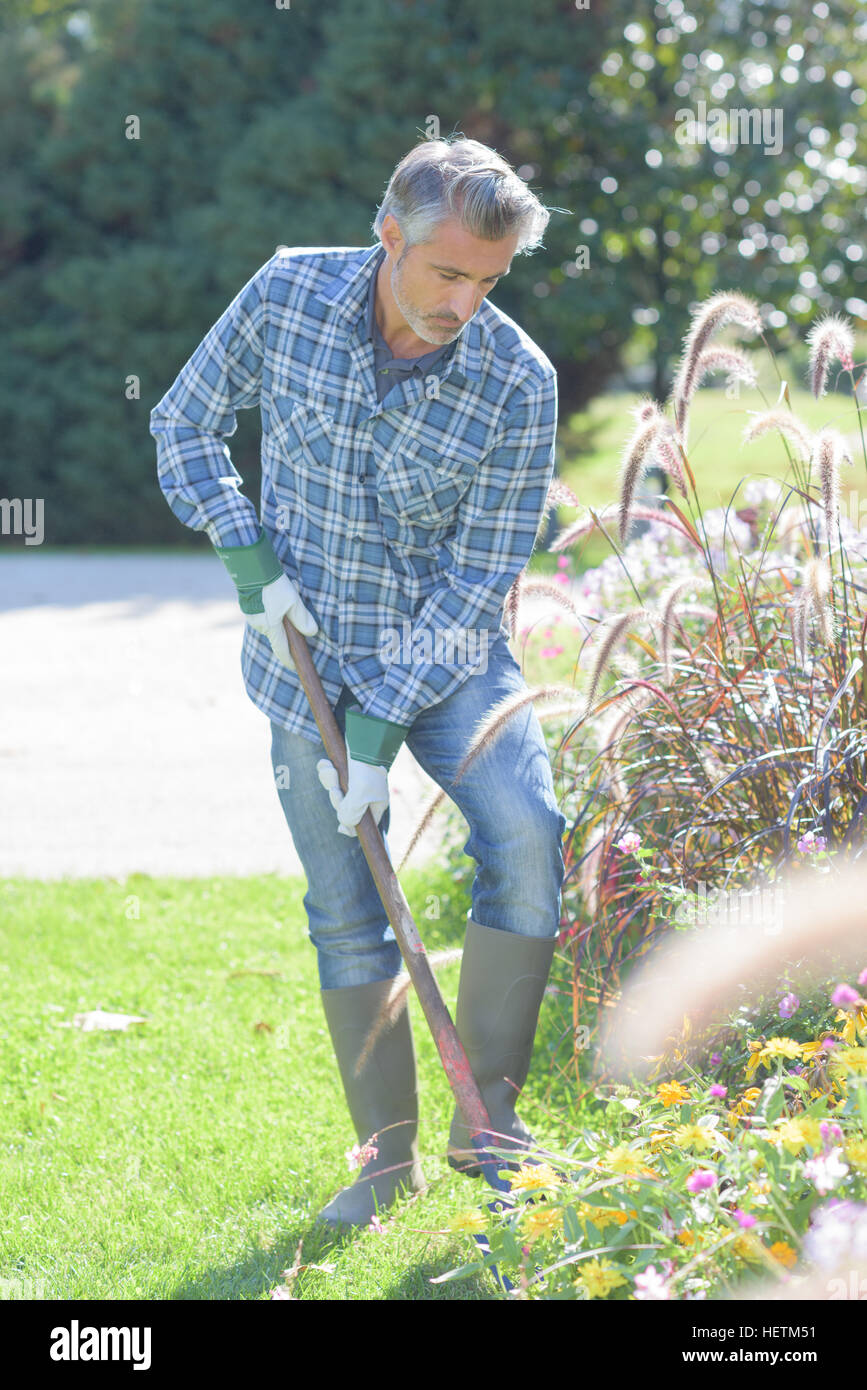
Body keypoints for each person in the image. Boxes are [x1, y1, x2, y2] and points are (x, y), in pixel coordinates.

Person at [150, 134, 568, 1230]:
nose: (466, 301)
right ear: (391, 234)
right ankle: (385, 1163)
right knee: (345, 908)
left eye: (489, 279)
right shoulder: (288, 293)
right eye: (448, 272)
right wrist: (250, 562)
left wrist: (378, 733)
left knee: (527, 832)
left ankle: (492, 1128)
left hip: (447, 655)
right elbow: (183, 423)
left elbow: (482, 577)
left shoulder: (518, 381)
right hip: (305, 665)